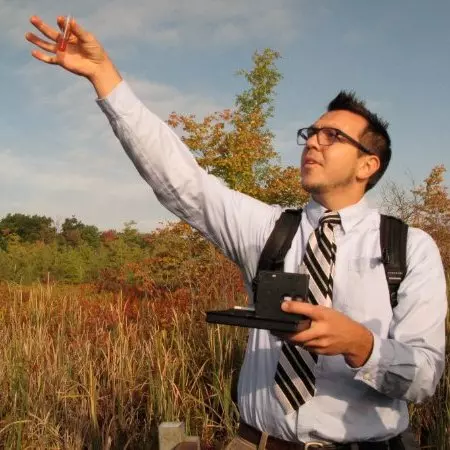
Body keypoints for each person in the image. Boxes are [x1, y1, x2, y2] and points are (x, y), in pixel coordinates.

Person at [25, 16, 447, 450]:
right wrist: (103, 76)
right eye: (311, 132)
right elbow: (183, 181)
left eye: (332, 135)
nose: (313, 142)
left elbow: (425, 377)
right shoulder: (270, 230)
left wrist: (361, 345)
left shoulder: (408, 249)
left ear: (367, 165)